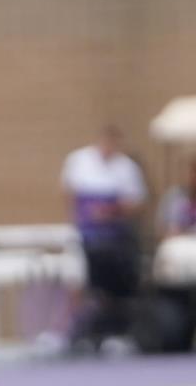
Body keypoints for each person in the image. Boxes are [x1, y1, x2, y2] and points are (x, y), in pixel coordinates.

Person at [59, 124, 147, 345]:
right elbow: (69, 194)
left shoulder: (126, 168)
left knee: (114, 287)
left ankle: (116, 331)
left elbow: (136, 202)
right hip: (85, 236)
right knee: (78, 281)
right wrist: (85, 217)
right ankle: (76, 328)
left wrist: (112, 211)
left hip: (116, 240)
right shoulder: (79, 161)